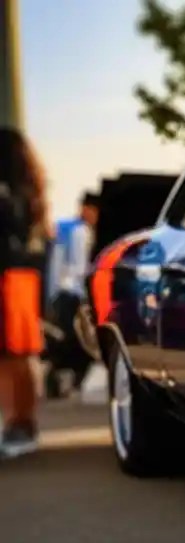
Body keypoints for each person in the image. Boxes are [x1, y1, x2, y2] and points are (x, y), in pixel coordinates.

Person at [0, 127, 51, 457]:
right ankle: (20, 423)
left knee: (14, 355)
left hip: (8, 277)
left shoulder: (9, 196)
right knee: (16, 356)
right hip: (20, 278)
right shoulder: (29, 193)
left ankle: (22, 425)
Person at [45, 191, 99, 396]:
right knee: (79, 343)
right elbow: (78, 267)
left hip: (58, 293)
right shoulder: (80, 231)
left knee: (60, 342)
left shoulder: (63, 227)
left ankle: (59, 381)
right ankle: (70, 382)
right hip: (73, 293)